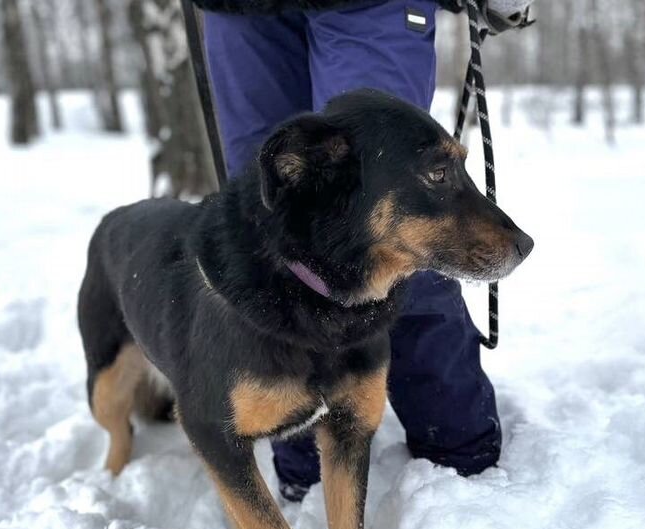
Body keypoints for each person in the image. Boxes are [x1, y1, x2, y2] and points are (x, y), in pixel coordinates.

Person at [195, 0, 533, 500]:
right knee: (271, 223)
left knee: (406, 215)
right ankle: (305, 471)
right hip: (238, 9)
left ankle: (462, 469)